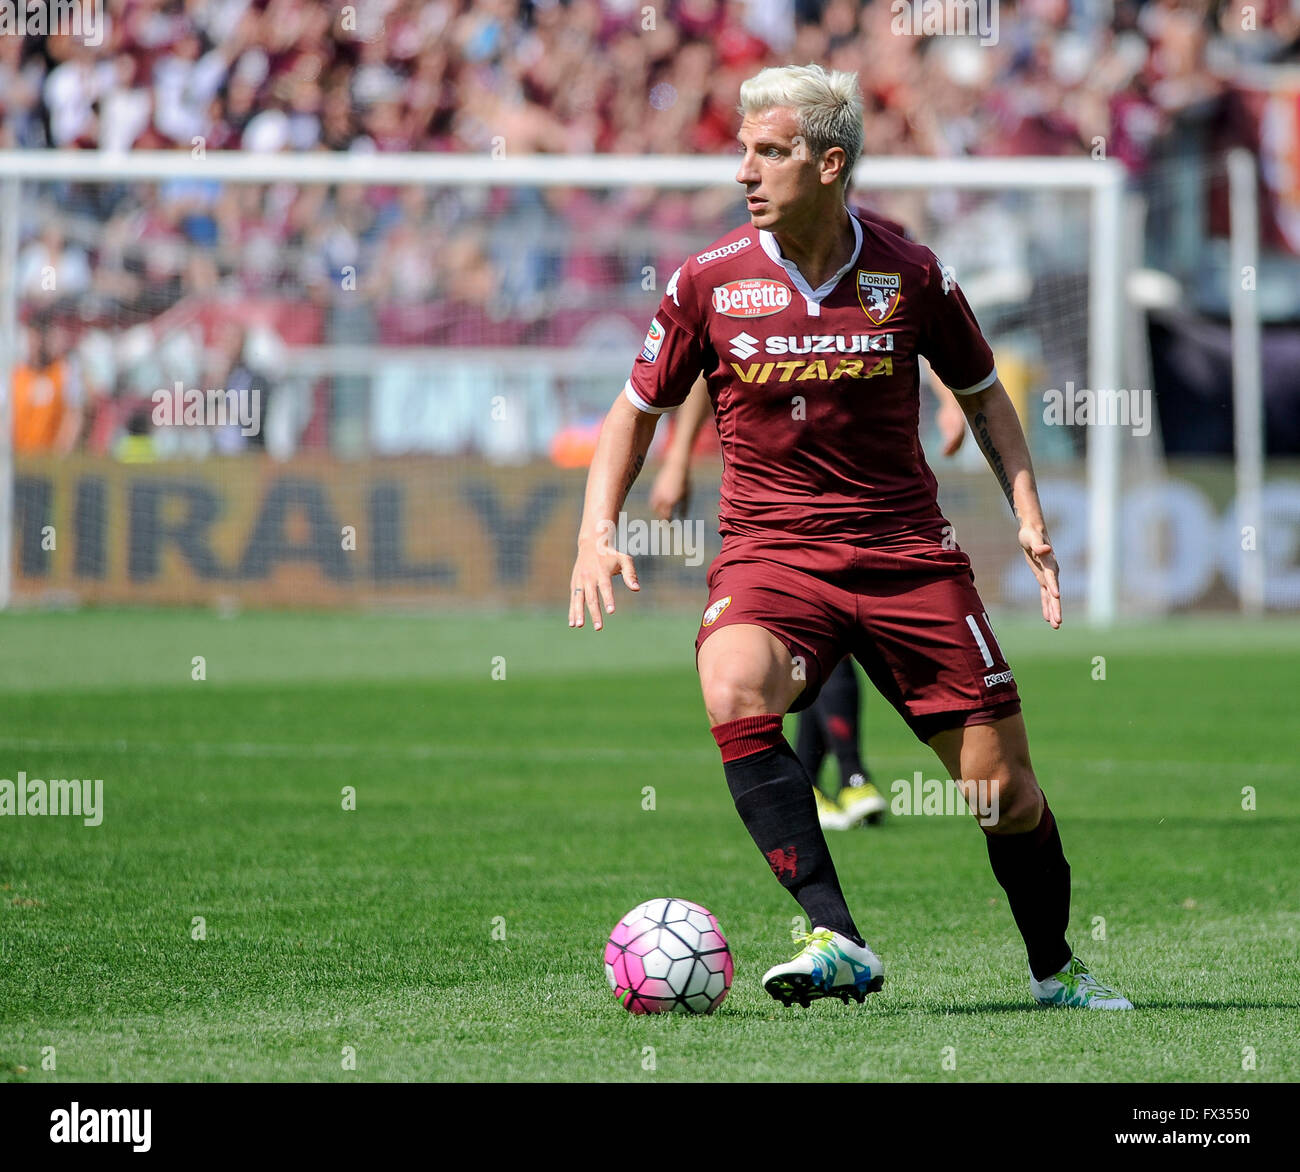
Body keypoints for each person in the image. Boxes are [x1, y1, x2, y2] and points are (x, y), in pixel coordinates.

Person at [569, 64, 1131, 1011]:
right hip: (771, 554)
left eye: (771, 151)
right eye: (742, 151)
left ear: (830, 164)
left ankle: (1055, 969)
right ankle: (836, 934)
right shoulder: (708, 280)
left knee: (1004, 794)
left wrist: (1028, 516)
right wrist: (597, 530)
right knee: (733, 683)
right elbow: (633, 411)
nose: (746, 170)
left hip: (907, 555)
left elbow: (986, 395)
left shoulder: (909, 273)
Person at [649, 279, 969, 832]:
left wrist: (948, 398)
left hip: (871, 504)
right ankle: (846, 777)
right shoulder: (745, 270)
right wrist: (678, 457)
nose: (753, 186)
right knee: (813, 648)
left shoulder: (889, 256)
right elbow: (711, 360)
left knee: (832, 648)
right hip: (784, 513)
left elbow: (932, 336)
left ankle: (830, 780)